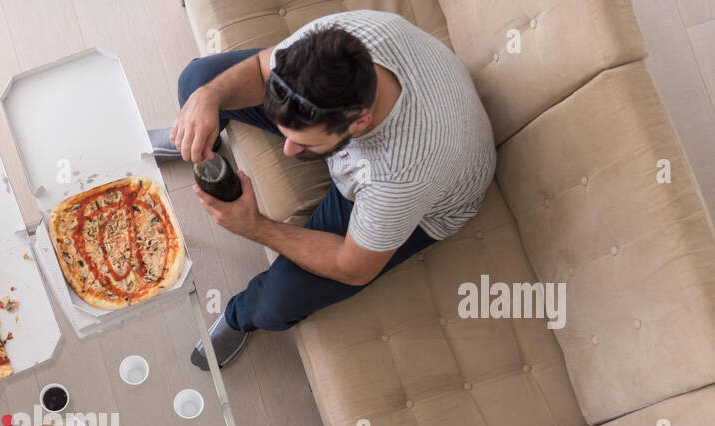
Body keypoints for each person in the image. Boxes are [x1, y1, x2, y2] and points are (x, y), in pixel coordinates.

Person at [151, 10, 496, 368]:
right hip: (370, 146)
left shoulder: (400, 176)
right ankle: (198, 137)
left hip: (427, 204)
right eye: (288, 137)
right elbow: (260, 68)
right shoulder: (339, 42)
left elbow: (353, 266)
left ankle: (241, 317)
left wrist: (254, 226)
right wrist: (208, 97)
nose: (287, 151)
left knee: (278, 301)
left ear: (359, 122)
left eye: (303, 145)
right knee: (198, 81)